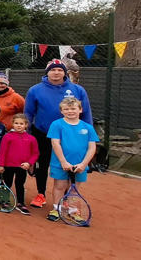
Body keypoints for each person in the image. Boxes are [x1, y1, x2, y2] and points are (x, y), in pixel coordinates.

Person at [25, 59, 92, 209]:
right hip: (42, 133)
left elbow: (86, 113)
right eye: (53, 70)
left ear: (65, 72)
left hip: (70, 136)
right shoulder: (35, 90)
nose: (56, 73)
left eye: (60, 70)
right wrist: (27, 134)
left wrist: (88, 135)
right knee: (42, 165)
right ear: (47, 72)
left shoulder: (78, 90)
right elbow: (28, 113)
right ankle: (41, 194)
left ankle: (66, 197)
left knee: (68, 165)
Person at [45, 97, 98, 222]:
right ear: (61, 111)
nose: (70, 111)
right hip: (60, 164)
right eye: (66, 109)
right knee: (59, 186)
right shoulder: (56, 124)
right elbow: (55, 143)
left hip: (80, 165)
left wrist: (83, 164)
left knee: (74, 188)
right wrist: (63, 162)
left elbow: (92, 147)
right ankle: (57, 209)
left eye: (73, 108)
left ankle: (72, 211)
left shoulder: (88, 127)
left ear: (80, 110)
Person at [0, 114, 38, 215]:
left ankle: (20, 203)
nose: (19, 125)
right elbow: (2, 151)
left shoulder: (31, 138)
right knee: (7, 183)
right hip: (8, 166)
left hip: (22, 167)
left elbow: (35, 153)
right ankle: (4, 200)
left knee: (20, 184)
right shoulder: (7, 137)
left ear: (26, 125)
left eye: (21, 124)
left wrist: (29, 163)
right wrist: (1, 165)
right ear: (12, 124)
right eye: (16, 123)